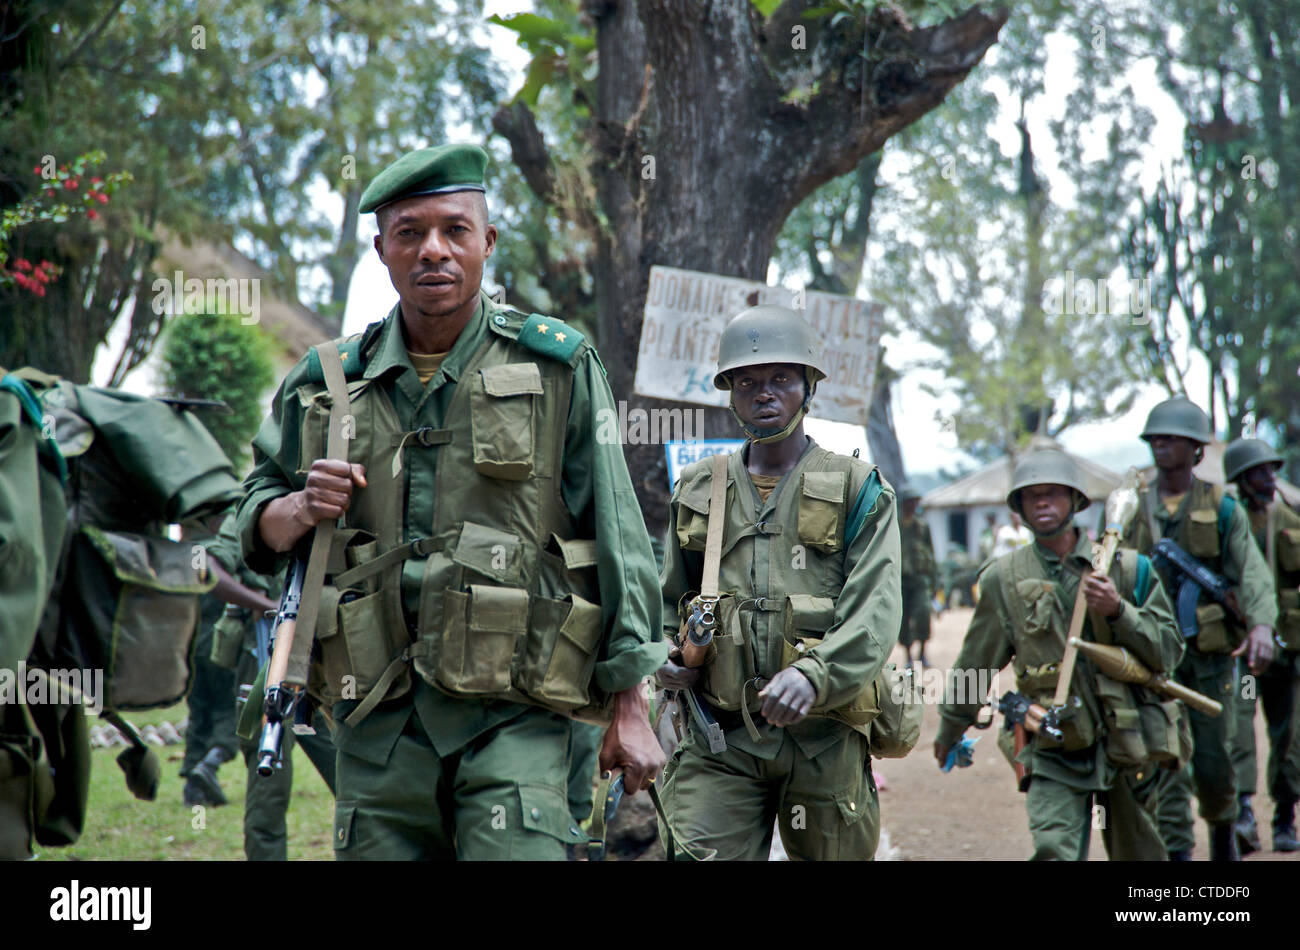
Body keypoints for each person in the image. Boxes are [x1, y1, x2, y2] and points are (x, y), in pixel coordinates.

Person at [235, 143, 667, 860]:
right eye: (410, 233)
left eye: (454, 230)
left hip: (517, 711)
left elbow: (617, 534)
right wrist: (302, 506)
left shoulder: (555, 364)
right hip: (377, 721)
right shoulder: (325, 382)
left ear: (487, 242)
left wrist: (629, 703)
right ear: (381, 249)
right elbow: (254, 518)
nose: (433, 250)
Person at [655, 304, 902, 861]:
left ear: (807, 387)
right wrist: (667, 657)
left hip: (824, 738)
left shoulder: (858, 488)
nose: (763, 393)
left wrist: (816, 675)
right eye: (747, 382)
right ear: (730, 393)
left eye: (780, 379)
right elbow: (668, 600)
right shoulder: (698, 489)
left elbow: (875, 613)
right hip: (721, 739)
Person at [936, 449, 1183, 860]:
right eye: (1032, 497)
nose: (1043, 503)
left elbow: (1169, 652)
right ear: (1019, 509)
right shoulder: (1003, 578)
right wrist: (949, 728)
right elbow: (975, 664)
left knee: (1141, 853)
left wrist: (1119, 611)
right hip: (1053, 743)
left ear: (1076, 502)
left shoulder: (1126, 569)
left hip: (1127, 739)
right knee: (1054, 850)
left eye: (1053, 494)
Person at [1119, 397, 1276, 860]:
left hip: (1206, 657)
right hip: (1151, 654)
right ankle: (1178, 855)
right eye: (1155, 439)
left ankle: (1224, 842)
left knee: (1213, 761)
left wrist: (1262, 625)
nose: (1160, 446)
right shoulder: (1131, 506)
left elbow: (1251, 572)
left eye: (1172, 439)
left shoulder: (1223, 508)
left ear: (1198, 452)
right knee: (1164, 759)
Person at [1223, 437, 1300, 853]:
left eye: (1271, 469)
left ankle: (1286, 816)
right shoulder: (1227, 520)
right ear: (1240, 479)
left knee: (1288, 733)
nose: (1268, 478)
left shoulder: (1289, 515)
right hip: (1245, 657)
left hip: (1286, 651)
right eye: (1258, 472)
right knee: (1240, 728)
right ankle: (1243, 812)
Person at [897, 484, 937, 668]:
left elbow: (931, 553)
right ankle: (908, 657)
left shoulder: (922, 527)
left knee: (923, 614)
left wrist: (935, 583)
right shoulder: (894, 526)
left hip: (920, 579)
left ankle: (922, 653)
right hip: (900, 581)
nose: (913, 506)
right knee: (903, 619)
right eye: (910, 502)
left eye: (915, 502)